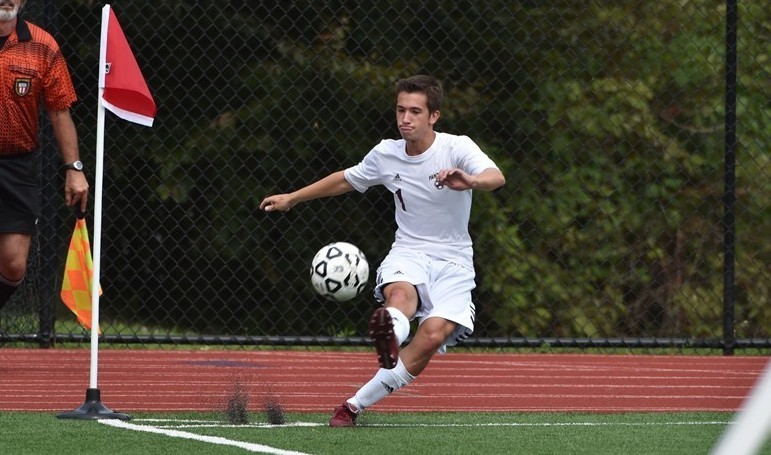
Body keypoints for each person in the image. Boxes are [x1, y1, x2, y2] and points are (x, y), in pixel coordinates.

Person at [260, 74, 505, 427]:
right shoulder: (386, 154)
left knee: (433, 335)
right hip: (409, 250)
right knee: (402, 296)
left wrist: (470, 180)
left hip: (454, 260)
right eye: (400, 110)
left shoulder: (457, 147)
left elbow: (495, 176)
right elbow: (347, 179)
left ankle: (353, 406)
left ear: (433, 115)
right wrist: (292, 198)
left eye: (415, 112)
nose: (405, 119)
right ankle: (390, 332)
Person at [0, 0, 88, 310]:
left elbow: (59, 111)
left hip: (18, 166)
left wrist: (74, 168)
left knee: (13, 264)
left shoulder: (43, 44)